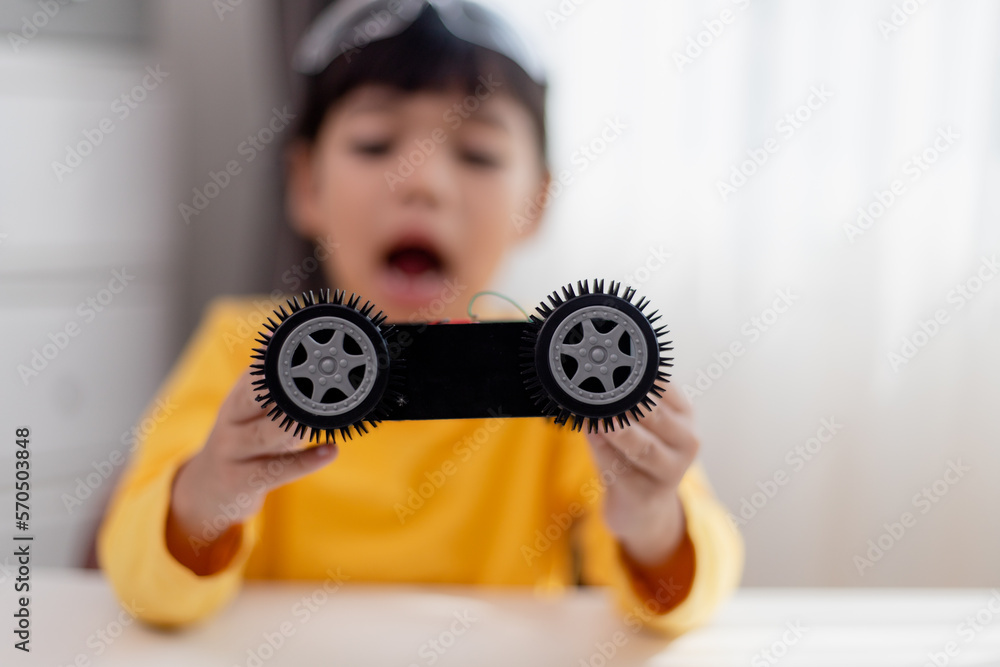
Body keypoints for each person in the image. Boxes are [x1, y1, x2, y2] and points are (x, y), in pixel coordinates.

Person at [97, 0, 743, 636]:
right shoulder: (241, 351)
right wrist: (208, 497)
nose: (422, 181)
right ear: (306, 186)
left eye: (479, 154)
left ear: (536, 202)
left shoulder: (565, 382)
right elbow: (136, 576)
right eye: (376, 144)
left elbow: (681, 601)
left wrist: (653, 518)